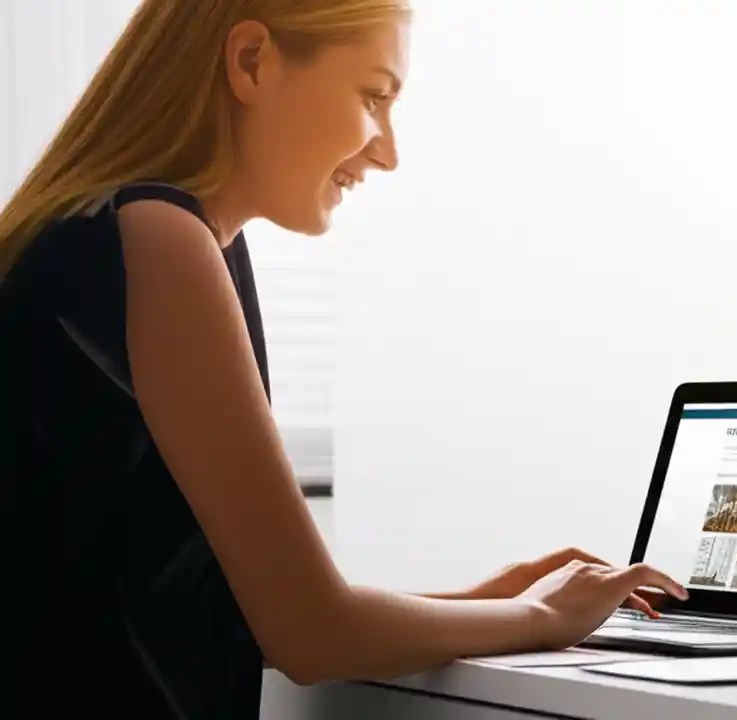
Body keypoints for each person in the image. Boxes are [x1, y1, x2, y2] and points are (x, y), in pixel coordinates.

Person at [0, 1, 686, 717]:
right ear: (251, 63)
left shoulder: (143, 232)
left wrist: (496, 596)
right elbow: (309, 634)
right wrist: (544, 619)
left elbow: (259, 610)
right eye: (374, 96)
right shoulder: (160, 237)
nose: (386, 150)